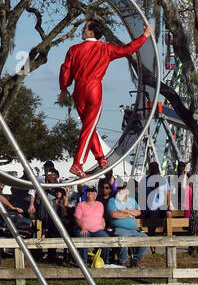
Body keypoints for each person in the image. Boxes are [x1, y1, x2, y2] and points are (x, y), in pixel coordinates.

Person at [59, 19, 154, 176]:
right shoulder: (105, 48)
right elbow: (128, 49)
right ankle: (78, 163)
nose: (82, 30)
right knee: (89, 127)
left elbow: (66, 69)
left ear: (92, 32)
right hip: (93, 88)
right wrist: (145, 35)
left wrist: (64, 88)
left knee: (88, 127)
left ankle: (100, 157)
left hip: (79, 90)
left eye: (85, 28)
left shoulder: (74, 49)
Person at [105, 183, 146, 267]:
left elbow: (138, 212)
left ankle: (136, 259)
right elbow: (114, 214)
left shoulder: (132, 200)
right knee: (123, 238)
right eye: (119, 191)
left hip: (134, 229)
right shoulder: (112, 201)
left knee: (145, 239)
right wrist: (128, 214)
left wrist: (124, 210)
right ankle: (123, 261)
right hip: (120, 228)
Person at [73, 184, 109, 264]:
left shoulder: (100, 204)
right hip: (84, 229)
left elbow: (101, 216)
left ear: (95, 195)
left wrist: (103, 224)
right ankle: (83, 262)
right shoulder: (81, 204)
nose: (89, 194)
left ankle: (104, 261)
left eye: (92, 193)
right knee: (83, 238)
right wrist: (83, 227)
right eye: (88, 193)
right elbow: (77, 218)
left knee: (107, 239)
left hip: (98, 230)